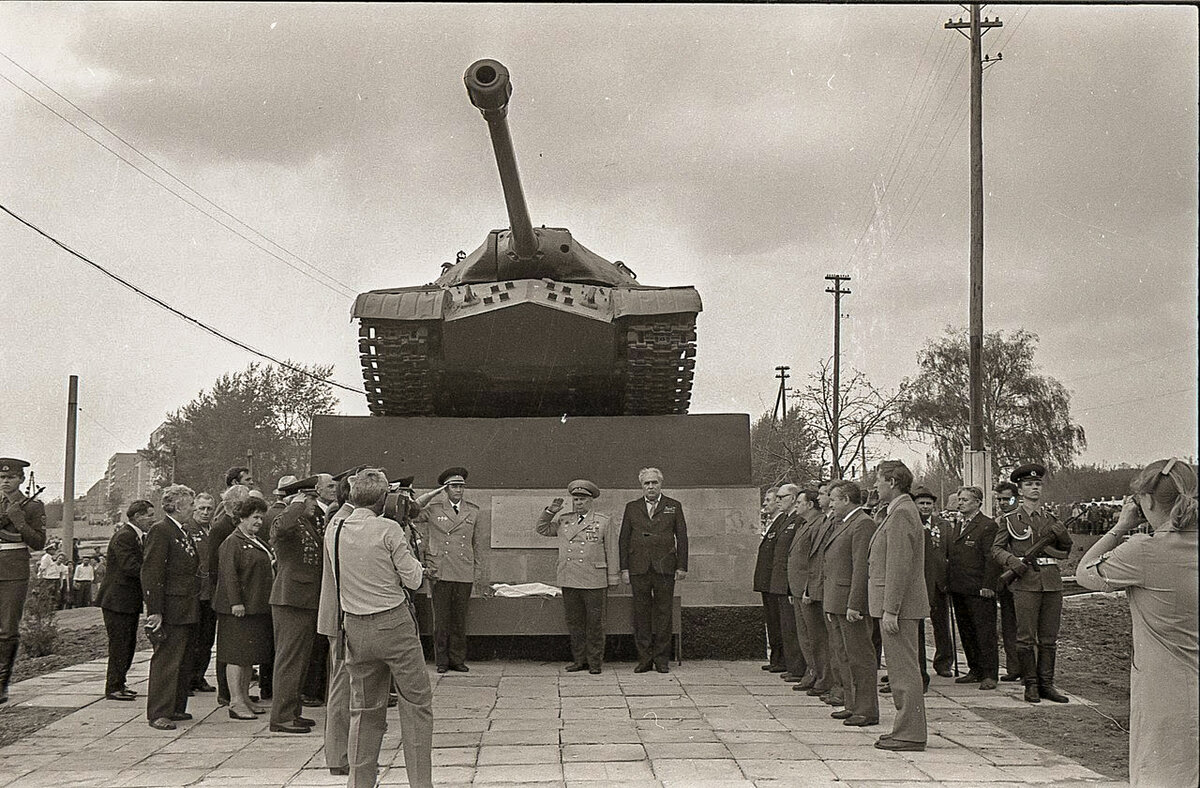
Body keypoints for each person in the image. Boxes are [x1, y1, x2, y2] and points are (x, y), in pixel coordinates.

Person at [1076, 458, 1198, 787]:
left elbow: (1084, 572)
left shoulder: (1144, 549)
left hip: (1165, 690)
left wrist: (1119, 527)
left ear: (1146, 501)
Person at [329, 468, 432, 788]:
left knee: (364, 709)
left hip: (355, 627)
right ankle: (420, 783)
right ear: (383, 498)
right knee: (416, 705)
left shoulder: (336, 526)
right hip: (394, 624)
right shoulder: (388, 529)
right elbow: (414, 579)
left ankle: (360, 783)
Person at [992, 463, 1072, 704]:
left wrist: (1064, 538)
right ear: (1020, 489)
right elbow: (996, 548)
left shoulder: (1051, 519)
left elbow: (1063, 551)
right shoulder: (1010, 519)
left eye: (1037, 484)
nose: (1034, 488)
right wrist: (1012, 562)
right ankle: (1031, 684)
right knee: (1025, 636)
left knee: (1049, 637)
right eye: (1029, 484)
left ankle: (1047, 684)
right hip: (1025, 581)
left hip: (1051, 581)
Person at [869, 460, 929, 752]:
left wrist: (890, 608)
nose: (875, 486)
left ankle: (911, 733)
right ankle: (905, 729)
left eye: (879, 480)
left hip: (900, 608)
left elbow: (899, 567)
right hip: (898, 606)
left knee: (904, 672)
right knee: (900, 671)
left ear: (892, 482)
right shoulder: (898, 511)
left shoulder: (903, 513)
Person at [536, 479, 619, 674]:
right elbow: (542, 529)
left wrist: (613, 577)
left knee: (595, 623)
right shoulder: (565, 520)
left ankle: (595, 662)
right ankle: (579, 660)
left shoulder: (603, 521)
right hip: (569, 577)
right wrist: (551, 511)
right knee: (575, 622)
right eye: (575, 499)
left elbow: (612, 551)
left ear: (591, 501)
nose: (578, 503)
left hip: (594, 579)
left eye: (582, 499)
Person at [412, 467, 484, 674]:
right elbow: (412, 512)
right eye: (453, 486)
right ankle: (441, 660)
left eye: (461, 486)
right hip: (440, 570)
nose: (458, 490)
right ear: (445, 489)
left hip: (463, 569)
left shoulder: (473, 511)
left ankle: (457, 659)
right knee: (441, 619)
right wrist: (431, 494)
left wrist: (478, 572)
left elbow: (476, 543)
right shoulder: (434, 509)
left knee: (459, 619)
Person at [141, 484, 200, 730]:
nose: (194, 509)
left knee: (182, 659)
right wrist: (155, 610)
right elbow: (151, 572)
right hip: (171, 606)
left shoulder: (181, 531)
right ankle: (159, 712)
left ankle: (176, 706)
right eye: (190, 505)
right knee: (167, 660)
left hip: (185, 604)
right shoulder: (161, 531)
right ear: (177, 506)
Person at [619, 467, 688, 673]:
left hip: (665, 568)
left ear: (661, 484)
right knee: (641, 615)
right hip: (638, 568)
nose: (651, 486)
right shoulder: (632, 507)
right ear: (641, 486)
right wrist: (624, 568)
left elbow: (682, 538)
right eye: (647, 483)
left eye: (654, 483)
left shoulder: (673, 506)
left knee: (664, 614)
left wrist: (682, 566)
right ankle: (644, 659)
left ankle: (662, 660)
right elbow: (624, 539)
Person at [318, 465, 363, 777]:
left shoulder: (344, 518)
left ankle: (345, 751)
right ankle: (339, 755)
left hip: (342, 614)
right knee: (342, 687)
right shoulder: (344, 521)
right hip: (343, 616)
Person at [269, 476, 324, 734]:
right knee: (289, 659)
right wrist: (296, 504)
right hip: (290, 599)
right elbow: (281, 528)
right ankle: (281, 717)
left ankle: (292, 711)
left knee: (299, 660)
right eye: (311, 498)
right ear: (299, 499)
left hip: (304, 599)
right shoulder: (289, 519)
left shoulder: (305, 522)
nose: (315, 502)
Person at [214, 496, 275, 721]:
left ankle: (245, 697)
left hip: (256, 606)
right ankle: (236, 701)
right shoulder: (233, 541)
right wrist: (235, 603)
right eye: (254, 517)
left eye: (261, 517)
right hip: (239, 610)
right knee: (236, 656)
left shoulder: (255, 539)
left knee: (249, 656)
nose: (259, 521)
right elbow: (228, 574)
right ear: (242, 518)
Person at [823, 480, 879, 727]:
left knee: (860, 656)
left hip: (849, 603)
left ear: (846, 499)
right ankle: (852, 703)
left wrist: (855, 603)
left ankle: (867, 709)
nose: (831, 504)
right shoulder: (843, 523)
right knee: (843, 655)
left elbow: (860, 568)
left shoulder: (863, 524)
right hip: (836, 601)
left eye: (834, 499)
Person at [0, 458, 47, 704]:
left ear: (20, 479)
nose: (5, 481)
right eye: (1, 477)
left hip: (13, 568)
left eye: (10, 477)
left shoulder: (33, 506)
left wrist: (18, 519)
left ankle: (1, 685)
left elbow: (38, 542)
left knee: (7, 629)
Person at [946, 486, 1001, 690]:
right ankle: (975, 669)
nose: (960, 503)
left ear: (978, 502)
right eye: (959, 499)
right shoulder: (958, 525)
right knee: (967, 630)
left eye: (965, 500)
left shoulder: (987, 526)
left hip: (979, 588)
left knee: (984, 631)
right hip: (960, 587)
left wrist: (988, 585)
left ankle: (989, 674)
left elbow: (991, 559)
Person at [98, 500, 152, 702]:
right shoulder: (125, 537)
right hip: (117, 601)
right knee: (120, 644)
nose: (152, 519)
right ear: (138, 516)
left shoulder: (135, 537)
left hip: (125, 601)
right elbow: (130, 566)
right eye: (149, 515)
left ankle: (120, 683)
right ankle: (113, 687)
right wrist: (152, 574)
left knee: (127, 644)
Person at [803, 482, 842, 705]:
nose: (820, 498)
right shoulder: (826, 520)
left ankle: (835, 684)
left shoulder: (834, 522)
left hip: (830, 588)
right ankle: (829, 681)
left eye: (825, 494)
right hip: (819, 587)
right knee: (824, 640)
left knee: (833, 643)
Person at [912, 486, 953, 684]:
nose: (926, 507)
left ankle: (944, 662)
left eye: (929, 504)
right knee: (917, 626)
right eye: (922, 503)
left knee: (941, 624)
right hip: (918, 581)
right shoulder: (911, 523)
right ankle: (917, 667)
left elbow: (950, 553)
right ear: (915, 505)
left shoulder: (944, 525)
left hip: (938, 582)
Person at [787, 489, 825, 693]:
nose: (796, 505)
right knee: (805, 635)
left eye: (800, 502)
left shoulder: (817, 524)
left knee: (814, 637)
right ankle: (812, 672)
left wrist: (808, 588)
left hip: (807, 589)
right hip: (798, 588)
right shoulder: (804, 524)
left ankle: (821, 676)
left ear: (810, 504)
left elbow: (814, 560)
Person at [768, 485, 807, 684]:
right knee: (786, 627)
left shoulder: (797, 520)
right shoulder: (784, 520)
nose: (778, 500)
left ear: (792, 498)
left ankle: (798, 667)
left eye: (781, 497)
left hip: (789, 581)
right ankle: (793, 666)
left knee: (793, 627)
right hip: (781, 581)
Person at [186, 492, 218, 693]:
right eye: (202, 508)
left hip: (210, 593)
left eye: (209, 509)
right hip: (194, 593)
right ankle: (187, 679)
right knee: (192, 639)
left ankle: (199, 676)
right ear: (194, 509)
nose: (206, 513)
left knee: (207, 638)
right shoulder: (188, 529)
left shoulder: (212, 529)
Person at [992, 481, 1022, 682]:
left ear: (1016, 498)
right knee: (1009, 626)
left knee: (1026, 628)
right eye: (1000, 499)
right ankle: (1014, 668)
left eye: (1007, 499)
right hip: (1005, 579)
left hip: (1025, 578)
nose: (1003, 503)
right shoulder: (997, 522)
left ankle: (1029, 670)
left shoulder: (1023, 519)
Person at [753, 488, 786, 672]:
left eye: (769, 500)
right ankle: (776, 658)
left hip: (775, 582)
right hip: (768, 582)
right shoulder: (773, 523)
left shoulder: (782, 523)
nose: (765, 503)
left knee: (778, 622)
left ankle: (781, 660)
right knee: (772, 622)